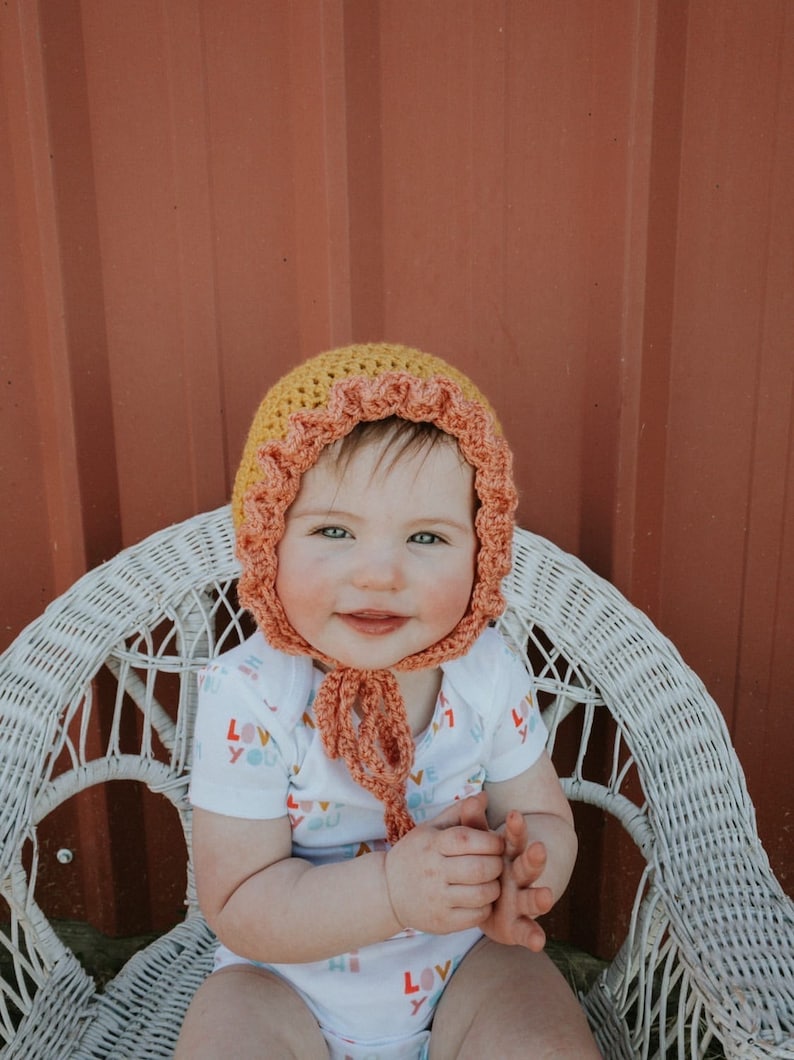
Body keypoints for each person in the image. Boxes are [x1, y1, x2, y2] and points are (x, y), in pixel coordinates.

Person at [176, 343, 601, 1059]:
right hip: (285, 983)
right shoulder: (249, 694)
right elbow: (239, 904)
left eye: (427, 537)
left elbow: (544, 816)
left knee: (541, 1033)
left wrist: (530, 875)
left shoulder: (487, 672)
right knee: (229, 1028)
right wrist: (393, 893)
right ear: (268, 543)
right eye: (334, 531)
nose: (379, 574)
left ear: (482, 555)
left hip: (468, 963)